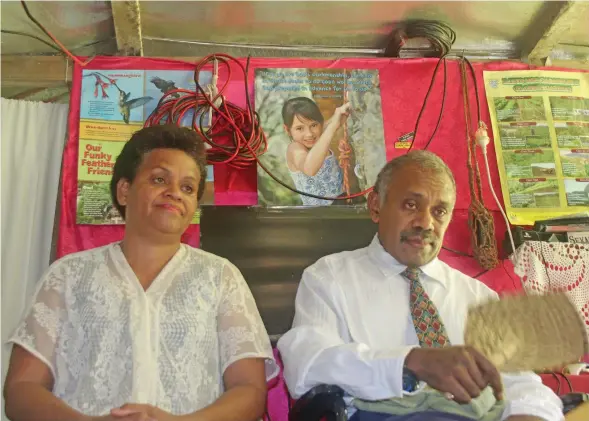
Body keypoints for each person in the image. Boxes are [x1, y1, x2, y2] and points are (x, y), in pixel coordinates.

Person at [4, 125, 278, 421]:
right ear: (124, 190)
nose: (174, 193)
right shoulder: (69, 275)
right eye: (160, 179)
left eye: (187, 188)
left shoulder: (220, 277)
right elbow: (22, 388)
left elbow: (249, 390)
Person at [277, 150, 563, 421]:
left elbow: (524, 385)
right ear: (376, 206)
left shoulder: (478, 297)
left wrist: (529, 413)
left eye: (440, 212)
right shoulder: (330, 277)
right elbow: (307, 365)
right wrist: (410, 362)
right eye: (411, 205)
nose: (426, 223)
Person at [282, 97, 351, 206]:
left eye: (313, 125)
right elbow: (309, 168)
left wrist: (341, 113)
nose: (309, 134)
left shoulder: (318, 137)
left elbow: (331, 123)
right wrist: (333, 127)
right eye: (299, 128)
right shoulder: (294, 148)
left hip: (340, 204)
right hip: (320, 216)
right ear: (287, 130)